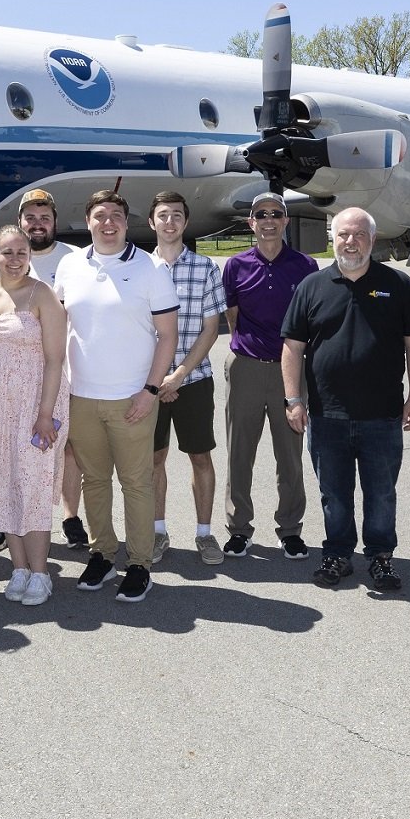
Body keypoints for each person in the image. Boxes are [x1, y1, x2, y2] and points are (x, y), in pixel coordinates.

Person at [280, 207, 410, 591]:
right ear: (333, 238)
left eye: (359, 234)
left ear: (372, 240)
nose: (350, 242)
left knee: (381, 493)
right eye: (343, 234)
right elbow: (293, 347)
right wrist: (293, 399)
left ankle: (380, 557)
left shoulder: (398, 284)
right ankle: (338, 554)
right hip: (326, 414)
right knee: (334, 493)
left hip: (383, 414)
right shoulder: (312, 286)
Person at [52, 190, 179, 603]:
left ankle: (140, 563)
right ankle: (103, 554)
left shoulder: (151, 268)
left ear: (127, 222)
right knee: (94, 480)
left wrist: (150, 390)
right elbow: (59, 327)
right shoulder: (70, 265)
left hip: (132, 398)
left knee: (136, 483)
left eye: (117, 216)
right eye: (100, 215)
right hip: (81, 397)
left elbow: (168, 336)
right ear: (88, 221)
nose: (108, 223)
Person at [0, 188, 87, 554]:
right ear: (20, 222)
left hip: (68, 369)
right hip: (17, 380)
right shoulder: (1, 265)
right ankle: (5, 521)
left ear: (55, 221)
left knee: (67, 450)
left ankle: (70, 517)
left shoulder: (74, 259)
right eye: (30, 218)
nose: (37, 223)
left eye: (45, 217)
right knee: (9, 451)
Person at [0, 226, 69, 605]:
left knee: (33, 483)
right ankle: (19, 568)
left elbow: (55, 360)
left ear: (29, 255)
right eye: (7, 252)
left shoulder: (42, 294)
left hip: (35, 403)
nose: (15, 260)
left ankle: (41, 573)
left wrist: (45, 414)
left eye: (21, 252)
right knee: (2, 481)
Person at [220, 192, 317, 560]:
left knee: (289, 456)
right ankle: (239, 528)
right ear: (251, 223)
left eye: (276, 213)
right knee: (239, 453)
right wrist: (248, 347)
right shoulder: (236, 265)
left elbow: (310, 318)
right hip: (245, 367)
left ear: (286, 220)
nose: (269, 220)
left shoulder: (305, 265)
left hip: (288, 372)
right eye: (261, 214)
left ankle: (290, 529)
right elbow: (232, 315)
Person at [146, 191, 228, 565]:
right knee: (153, 459)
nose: (170, 222)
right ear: (152, 222)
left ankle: (205, 533)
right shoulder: (140, 269)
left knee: (200, 457)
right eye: (163, 215)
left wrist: (178, 375)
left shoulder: (206, 267)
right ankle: (157, 532)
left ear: (186, 222)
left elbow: (211, 329)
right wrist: (158, 380)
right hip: (148, 383)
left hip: (193, 379)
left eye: (177, 215)